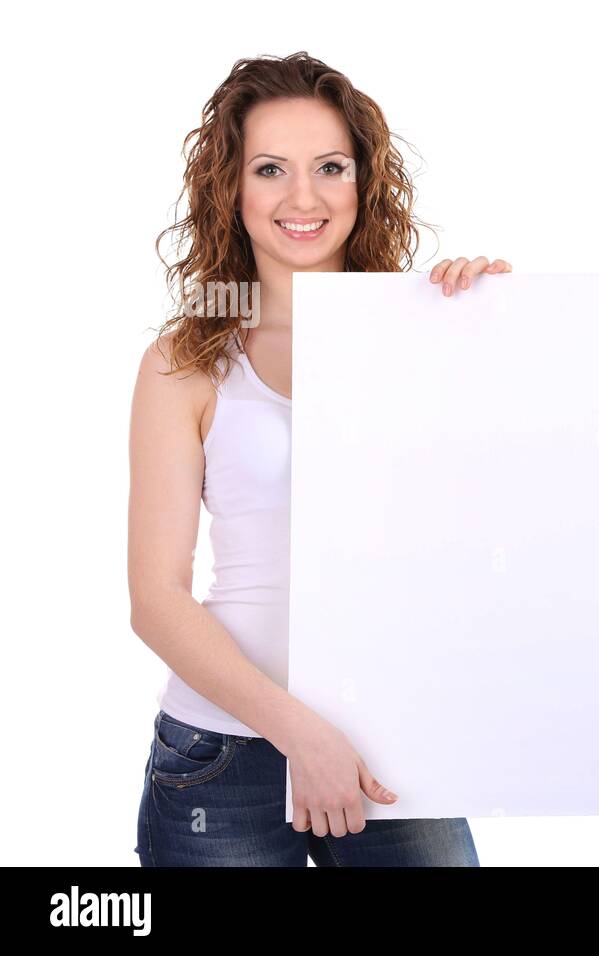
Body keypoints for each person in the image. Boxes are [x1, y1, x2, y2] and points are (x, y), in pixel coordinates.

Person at [129, 51, 511, 866]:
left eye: (330, 167)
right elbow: (156, 599)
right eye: (270, 169)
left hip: (391, 742)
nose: (303, 198)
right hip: (223, 757)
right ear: (231, 189)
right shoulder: (185, 362)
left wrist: (502, 325)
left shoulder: (430, 335)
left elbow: (511, 509)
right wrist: (300, 731)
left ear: (363, 183)